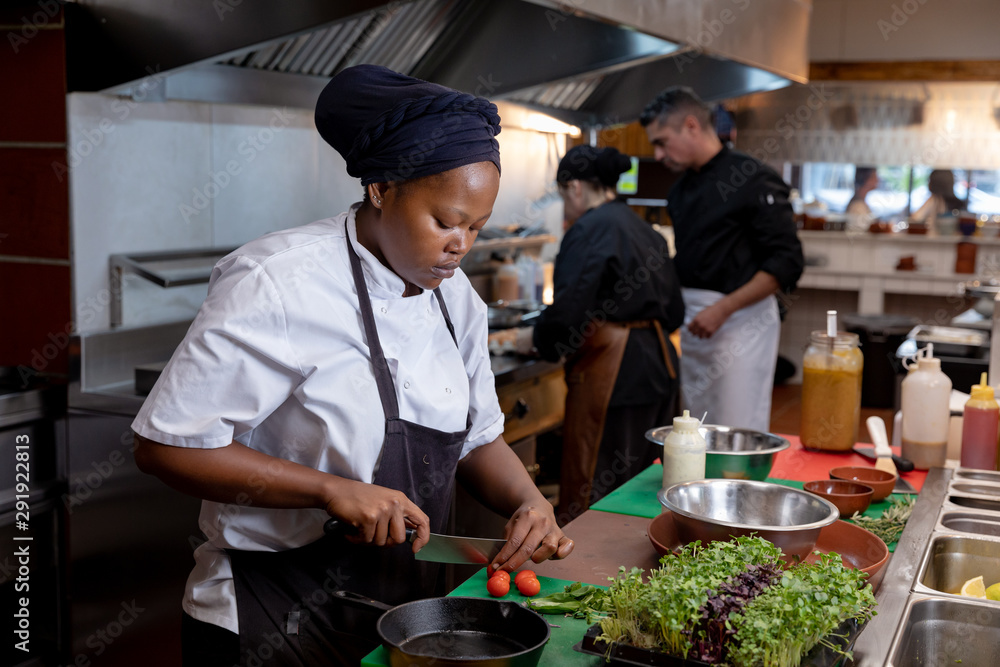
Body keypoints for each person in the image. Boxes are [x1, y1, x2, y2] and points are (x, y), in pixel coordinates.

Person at [131, 64, 573, 667]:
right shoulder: (279, 281)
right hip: (272, 615)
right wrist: (330, 491)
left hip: (406, 619)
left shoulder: (456, 297)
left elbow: (476, 437)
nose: (460, 245)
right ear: (382, 189)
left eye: (476, 227)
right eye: (444, 221)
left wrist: (528, 501)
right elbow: (166, 446)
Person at [503, 145, 684, 523]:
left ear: (575, 189)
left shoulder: (588, 229)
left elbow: (568, 312)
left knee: (599, 487)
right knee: (643, 483)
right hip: (660, 367)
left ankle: (591, 571)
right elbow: (675, 312)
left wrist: (533, 340)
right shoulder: (644, 229)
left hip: (614, 373)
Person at [640, 86, 803, 432]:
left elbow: (786, 262)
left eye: (662, 141)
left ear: (691, 126)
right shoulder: (680, 190)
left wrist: (722, 309)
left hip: (741, 321)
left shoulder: (753, 177)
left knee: (734, 430)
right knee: (695, 430)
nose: (657, 154)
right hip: (696, 323)